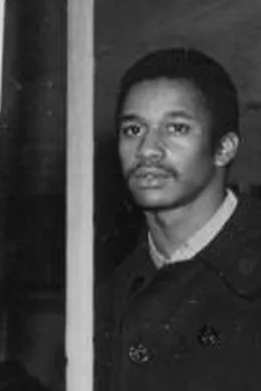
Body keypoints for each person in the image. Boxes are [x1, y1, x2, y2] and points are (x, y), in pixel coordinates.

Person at [97, 48, 261, 391]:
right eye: (133, 129)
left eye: (176, 127)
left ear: (224, 148)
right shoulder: (108, 296)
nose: (147, 149)